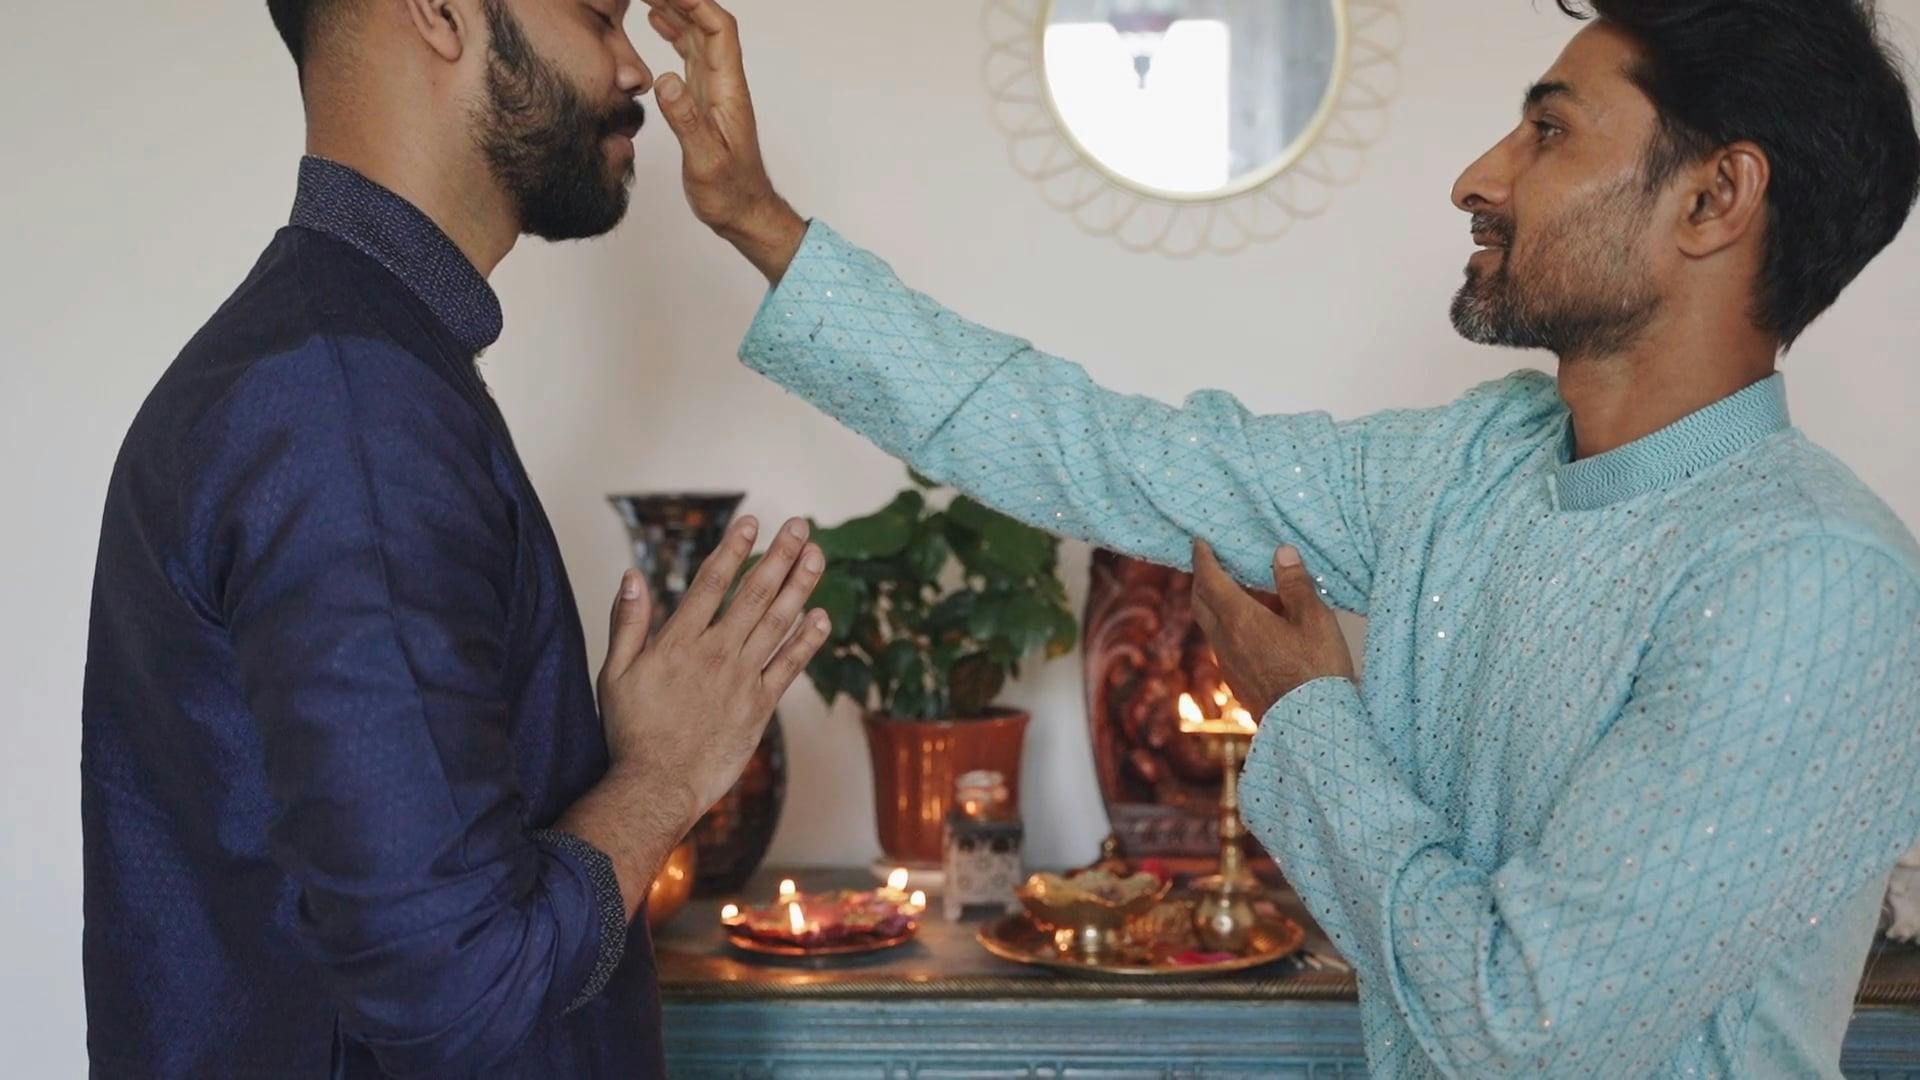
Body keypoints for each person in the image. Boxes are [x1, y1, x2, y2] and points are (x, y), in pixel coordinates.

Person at [641, 0, 1920, 1073]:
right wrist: (760, 222)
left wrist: (1306, 719)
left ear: (1715, 197)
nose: (1477, 179)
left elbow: (1521, 1029)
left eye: (1548, 131)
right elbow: (1101, 450)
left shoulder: (1813, 584)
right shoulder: (1477, 461)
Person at [80, 0, 831, 1075]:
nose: (633, 69)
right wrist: (663, 777)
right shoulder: (347, 408)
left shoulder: (351, 368)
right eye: (598, 17)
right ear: (438, 12)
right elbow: (462, 992)